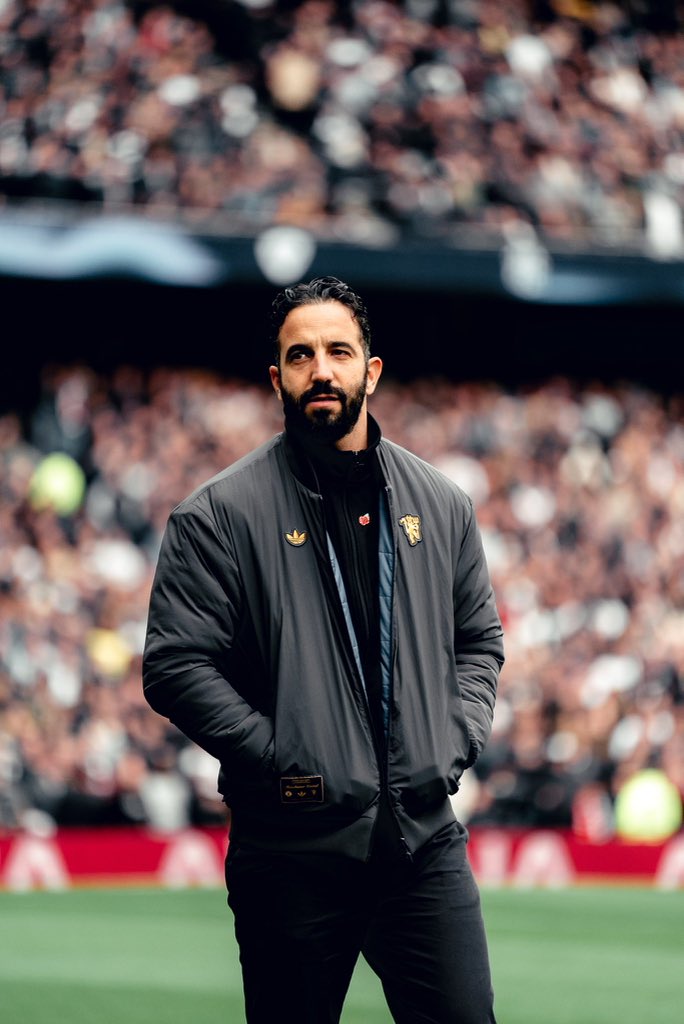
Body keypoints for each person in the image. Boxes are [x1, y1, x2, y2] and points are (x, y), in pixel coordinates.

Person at [142, 276, 505, 1024]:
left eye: (338, 351)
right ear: (276, 377)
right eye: (300, 355)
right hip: (290, 854)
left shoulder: (442, 504)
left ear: (371, 370)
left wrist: (456, 737)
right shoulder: (217, 515)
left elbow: (478, 640)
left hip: (424, 843)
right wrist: (283, 757)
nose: (321, 370)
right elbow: (176, 665)